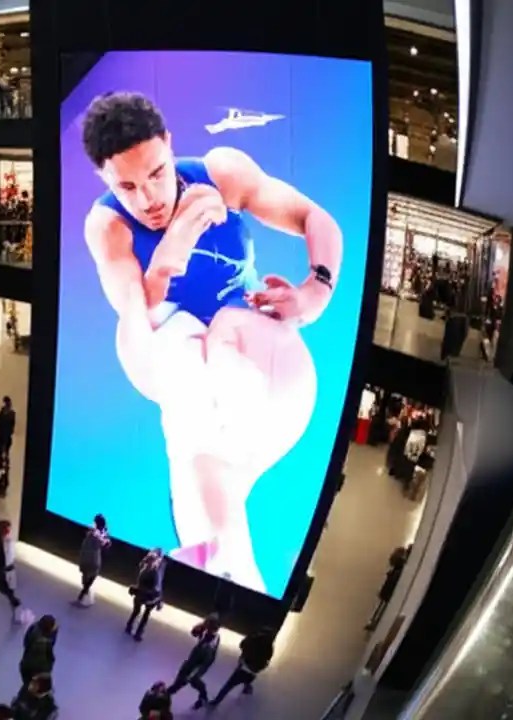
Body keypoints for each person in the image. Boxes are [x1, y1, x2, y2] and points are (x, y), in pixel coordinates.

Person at [81, 92, 341, 591]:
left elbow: (315, 218)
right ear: (106, 182)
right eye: (127, 186)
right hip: (197, 391)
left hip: (258, 363)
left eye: (157, 173)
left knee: (211, 336)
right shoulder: (108, 224)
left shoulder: (220, 171)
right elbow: (136, 325)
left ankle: (218, 555)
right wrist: (173, 242)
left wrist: (315, 291)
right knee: (173, 344)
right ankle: (226, 567)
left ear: (170, 147)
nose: (149, 199)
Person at [210, 625, 275, 706]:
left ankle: (216, 701)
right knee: (247, 679)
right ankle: (247, 688)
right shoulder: (270, 646)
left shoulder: (253, 638)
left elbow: (242, 645)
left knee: (229, 685)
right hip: (254, 670)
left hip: (244, 666)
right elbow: (268, 657)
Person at [167, 614, 222, 709]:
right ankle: (170, 691)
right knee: (183, 674)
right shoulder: (204, 630)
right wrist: (198, 628)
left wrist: (195, 672)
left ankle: (202, 696)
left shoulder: (213, 641)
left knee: (193, 679)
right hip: (195, 656)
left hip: (203, 660)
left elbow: (207, 660)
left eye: (208, 624)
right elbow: (194, 633)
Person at [366, 545, 410, 631]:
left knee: (380, 607)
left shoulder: (396, 570)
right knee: (381, 608)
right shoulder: (399, 570)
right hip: (387, 594)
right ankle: (374, 622)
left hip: (386, 593)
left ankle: (373, 621)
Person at [125, 549, 166, 641]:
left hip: (141, 592)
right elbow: (158, 585)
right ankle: (138, 633)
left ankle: (130, 626)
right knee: (145, 614)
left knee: (137, 611)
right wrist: (159, 599)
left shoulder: (144, 565)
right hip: (149, 595)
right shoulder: (156, 570)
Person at [74, 514, 111, 607]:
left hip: (90, 556)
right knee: (88, 574)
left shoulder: (99, 532)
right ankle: (84, 591)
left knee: (89, 574)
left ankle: (83, 592)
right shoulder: (96, 531)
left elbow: (105, 543)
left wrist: (102, 538)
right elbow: (105, 543)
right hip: (89, 555)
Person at [19, 614, 58, 686]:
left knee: (27, 686)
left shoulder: (33, 628)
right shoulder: (44, 643)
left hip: (26, 664)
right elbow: (48, 659)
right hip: (36, 670)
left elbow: (26, 643)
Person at [0, 396, 17, 467]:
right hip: (6, 434)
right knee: (5, 449)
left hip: (3, 433)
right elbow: (12, 423)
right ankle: (4, 461)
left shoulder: (4, 412)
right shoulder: (11, 413)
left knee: (0, 450)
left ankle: (1, 462)